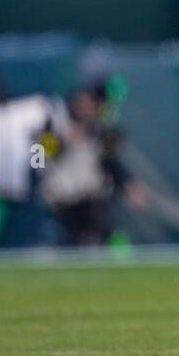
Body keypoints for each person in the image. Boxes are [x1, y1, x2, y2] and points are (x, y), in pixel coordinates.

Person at [34, 86, 144, 247]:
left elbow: (110, 160)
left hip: (92, 196)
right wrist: (62, 143)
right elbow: (38, 160)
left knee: (106, 232)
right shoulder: (52, 125)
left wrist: (127, 182)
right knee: (68, 242)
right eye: (81, 103)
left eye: (89, 104)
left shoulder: (98, 129)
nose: (86, 108)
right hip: (62, 198)